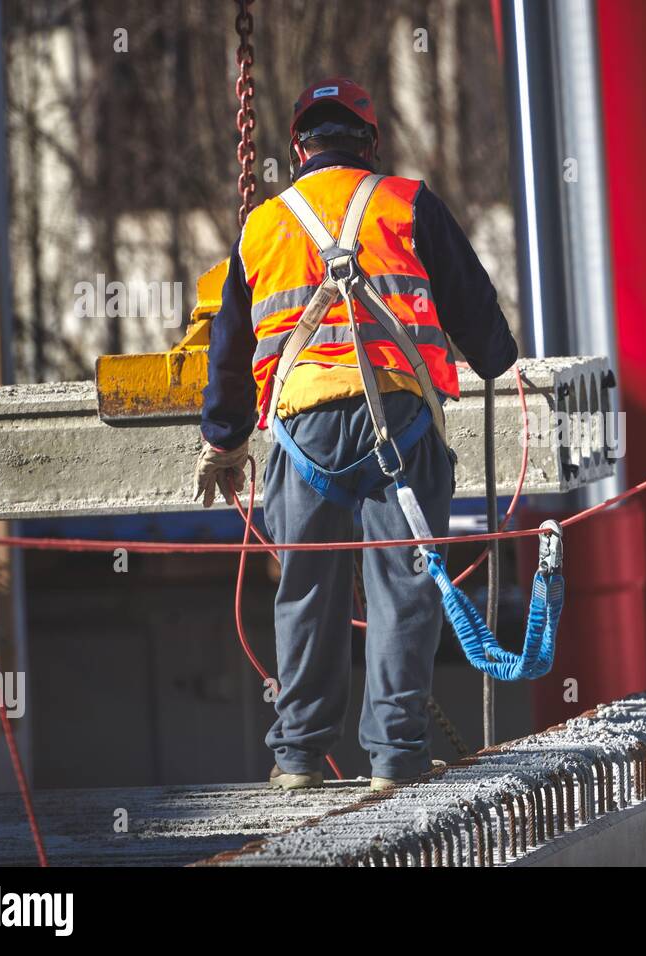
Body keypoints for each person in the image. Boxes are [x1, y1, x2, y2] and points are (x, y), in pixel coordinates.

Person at [193, 77, 517, 790]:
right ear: (369, 143)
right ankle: (396, 761)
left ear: (298, 148)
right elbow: (477, 314)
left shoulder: (265, 225)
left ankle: (299, 758)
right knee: (404, 589)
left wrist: (224, 440)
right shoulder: (408, 204)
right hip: (399, 427)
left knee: (306, 590)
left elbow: (228, 347)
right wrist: (497, 356)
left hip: (304, 434)